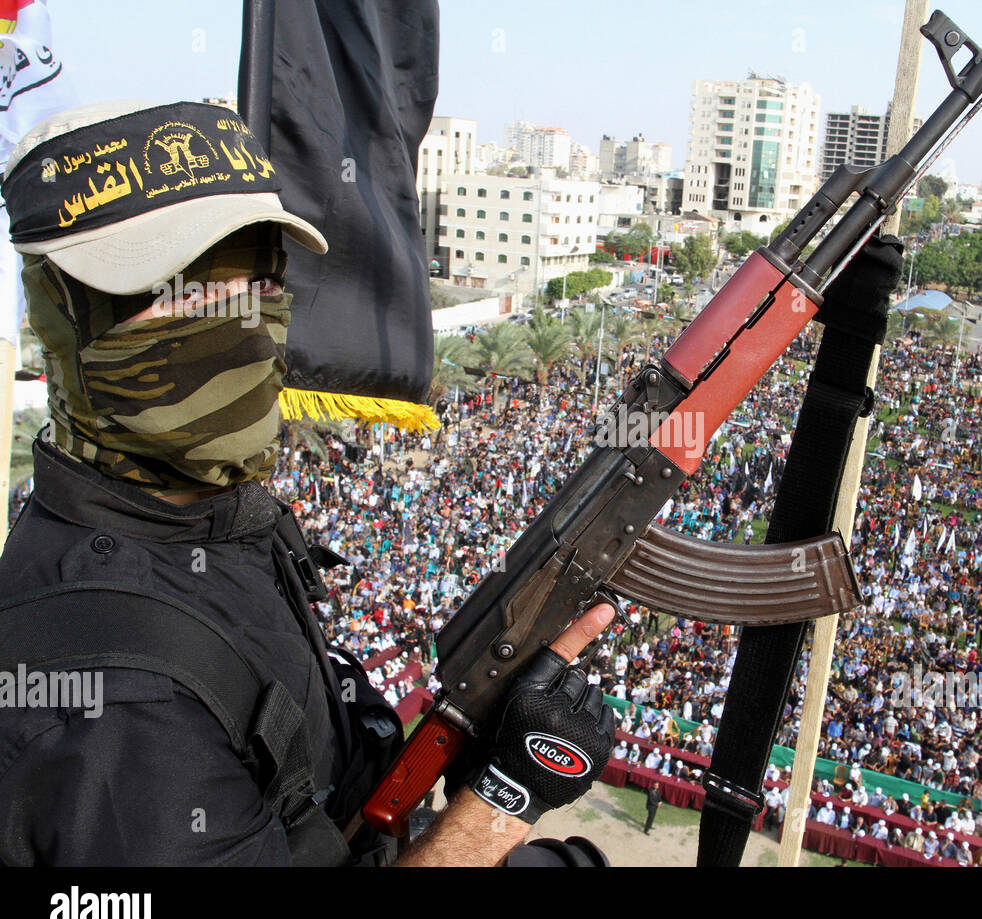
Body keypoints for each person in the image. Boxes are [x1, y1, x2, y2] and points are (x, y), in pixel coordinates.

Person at [0, 101, 615, 867]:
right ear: (61, 319)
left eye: (258, 277)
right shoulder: (113, 698)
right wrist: (504, 800)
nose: (241, 324)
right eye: (177, 290)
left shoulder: (214, 514)